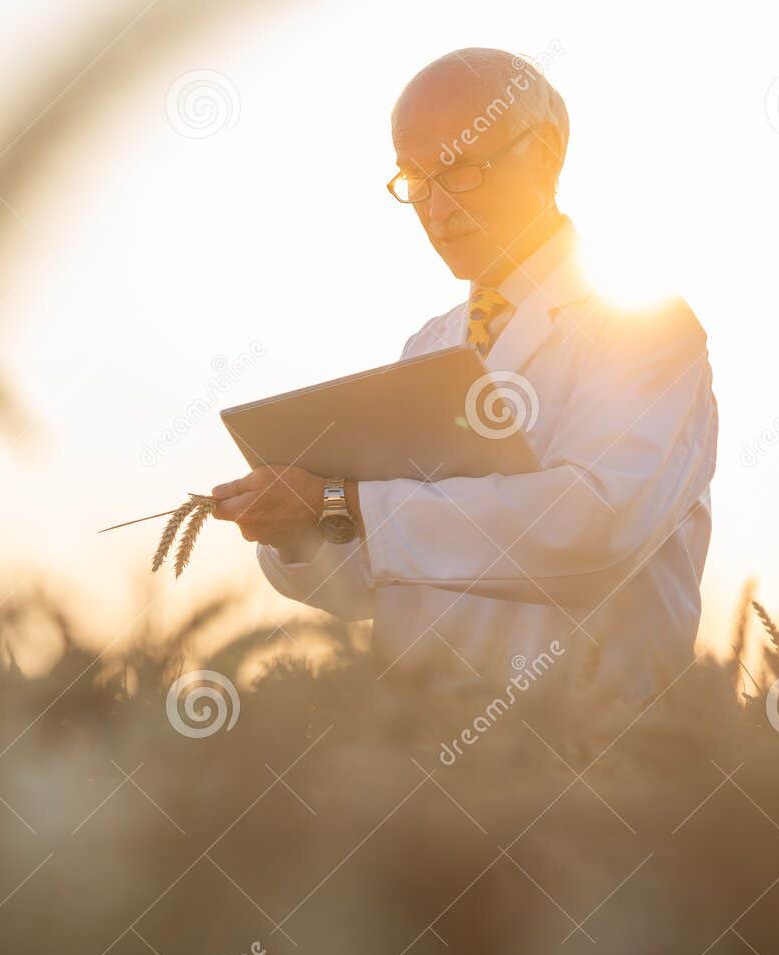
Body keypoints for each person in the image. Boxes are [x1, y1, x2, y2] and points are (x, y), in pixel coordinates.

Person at [210, 47, 718, 703]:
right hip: (421, 752)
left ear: (543, 151)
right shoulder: (430, 344)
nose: (437, 208)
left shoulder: (647, 327)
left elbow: (597, 526)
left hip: (598, 750)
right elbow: (377, 580)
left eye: (459, 170)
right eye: (415, 179)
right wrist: (300, 526)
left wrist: (346, 503)